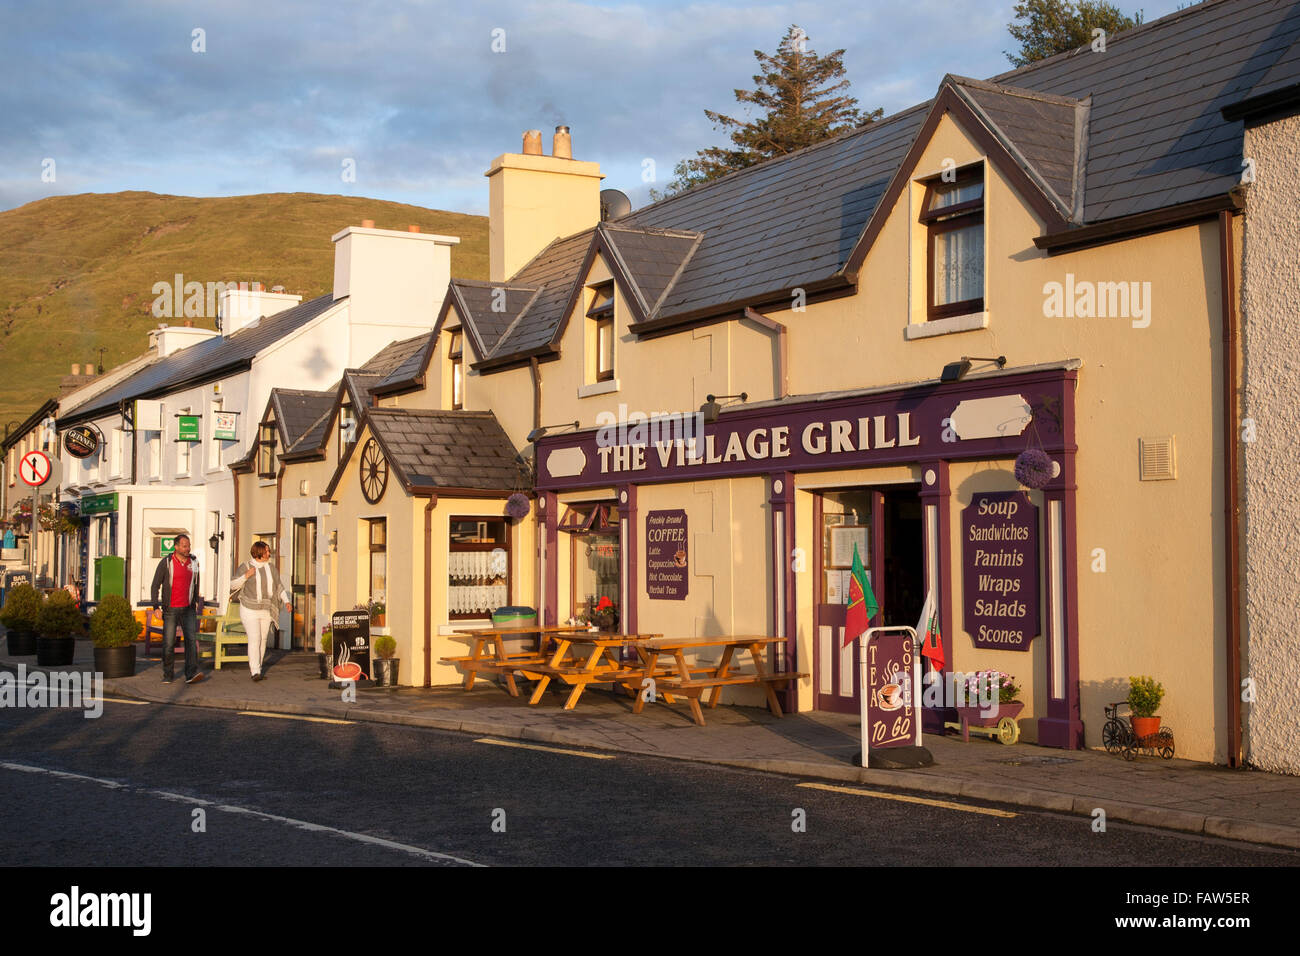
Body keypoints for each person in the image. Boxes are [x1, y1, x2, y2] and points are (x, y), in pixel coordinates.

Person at [229, 541, 292, 681]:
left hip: (266, 609)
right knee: (254, 638)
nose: (269, 553)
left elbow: (279, 587)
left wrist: (286, 601)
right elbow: (233, 585)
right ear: (259, 553)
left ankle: (259, 667)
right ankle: (255, 671)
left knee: (263, 639)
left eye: (269, 551)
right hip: (249, 608)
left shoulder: (271, 568)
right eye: (267, 551)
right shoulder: (246, 566)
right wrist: (245, 576)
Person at [149, 533, 204, 685]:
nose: (188, 548)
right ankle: (168, 674)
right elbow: (155, 585)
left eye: (189, 546)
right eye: (185, 546)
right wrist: (156, 607)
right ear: (177, 547)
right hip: (171, 609)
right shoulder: (166, 562)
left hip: (188, 608)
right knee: (168, 643)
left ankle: (190, 674)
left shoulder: (194, 562)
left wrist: (196, 600)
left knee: (191, 641)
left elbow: (196, 581)